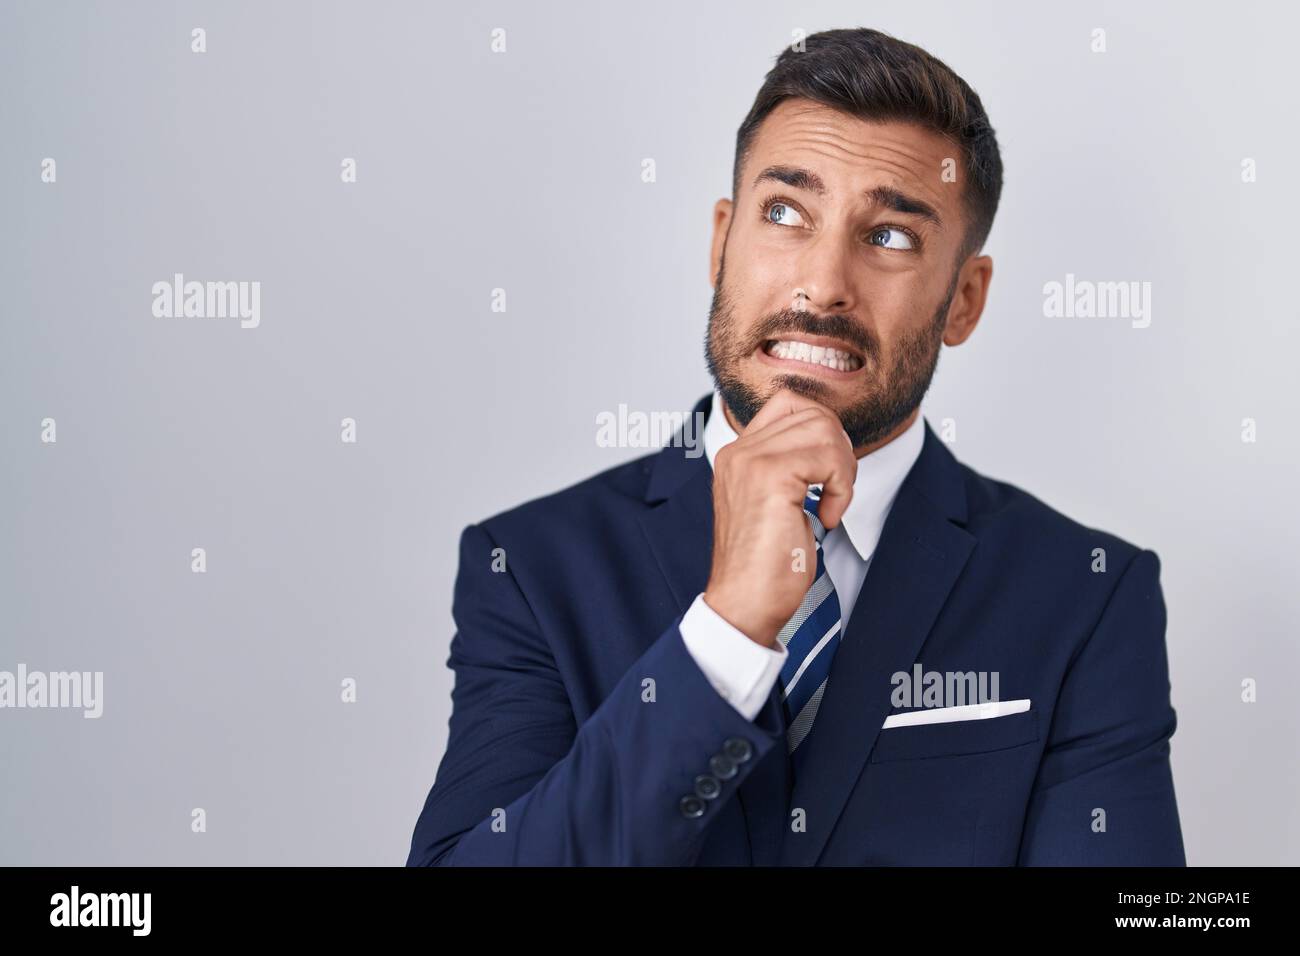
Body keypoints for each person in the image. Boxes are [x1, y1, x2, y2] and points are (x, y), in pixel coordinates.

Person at [406, 27, 1185, 866]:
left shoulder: (1088, 594)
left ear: (964, 299)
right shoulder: (526, 566)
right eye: (785, 213)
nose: (822, 284)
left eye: (889, 235)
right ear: (721, 242)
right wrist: (727, 630)